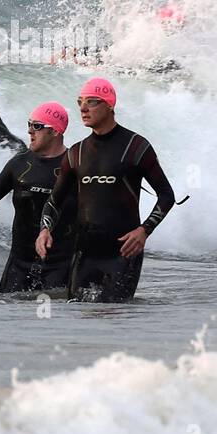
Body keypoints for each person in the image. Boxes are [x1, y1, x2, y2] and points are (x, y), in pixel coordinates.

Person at [35, 78, 178, 302]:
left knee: (115, 321)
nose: (83, 108)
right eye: (80, 101)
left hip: (123, 253)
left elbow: (167, 195)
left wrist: (144, 230)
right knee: (78, 319)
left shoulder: (136, 147)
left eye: (91, 102)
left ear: (110, 105)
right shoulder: (76, 153)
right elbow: (54, 201)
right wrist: (44, 230)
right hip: (85, 253)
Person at [0, 61, 75, 293]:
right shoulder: (20, 162)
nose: (29, 130)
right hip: (19, 263)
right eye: (29, 124)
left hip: (60, 265)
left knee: (57, 324)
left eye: (36, 126)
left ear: (55, 131)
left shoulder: (75, 164)